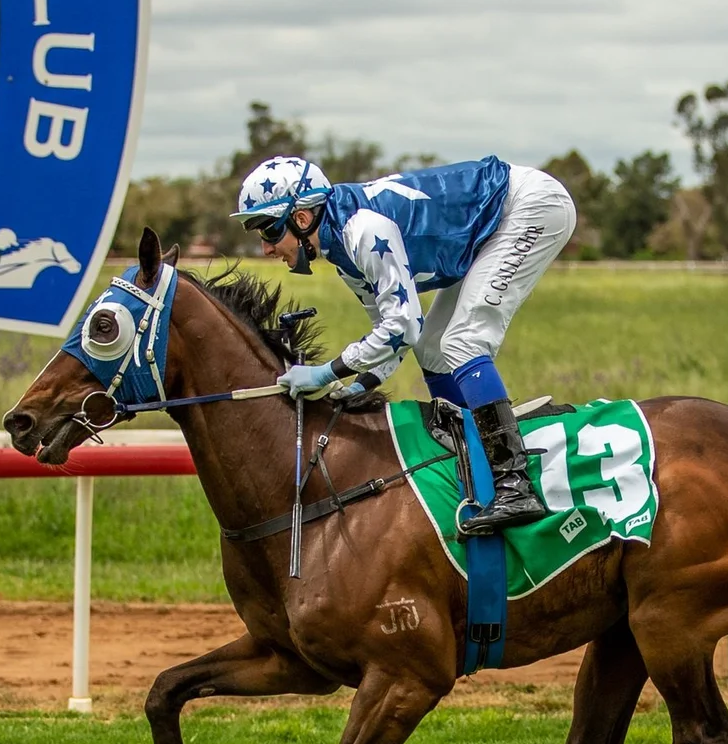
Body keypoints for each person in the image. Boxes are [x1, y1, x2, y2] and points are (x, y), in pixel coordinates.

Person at [232, 156, 575, 535]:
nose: (265, 248)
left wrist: (327, 371)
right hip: (490, 225)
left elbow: (402, 325)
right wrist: (359, 386)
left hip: (529, 206)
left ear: (300, 219)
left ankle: (516, 486)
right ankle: (471, 459)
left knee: (462, 341)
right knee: (432, 347)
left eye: (268, 231)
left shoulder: (362, 231)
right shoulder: (342, 252)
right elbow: (393, 332)